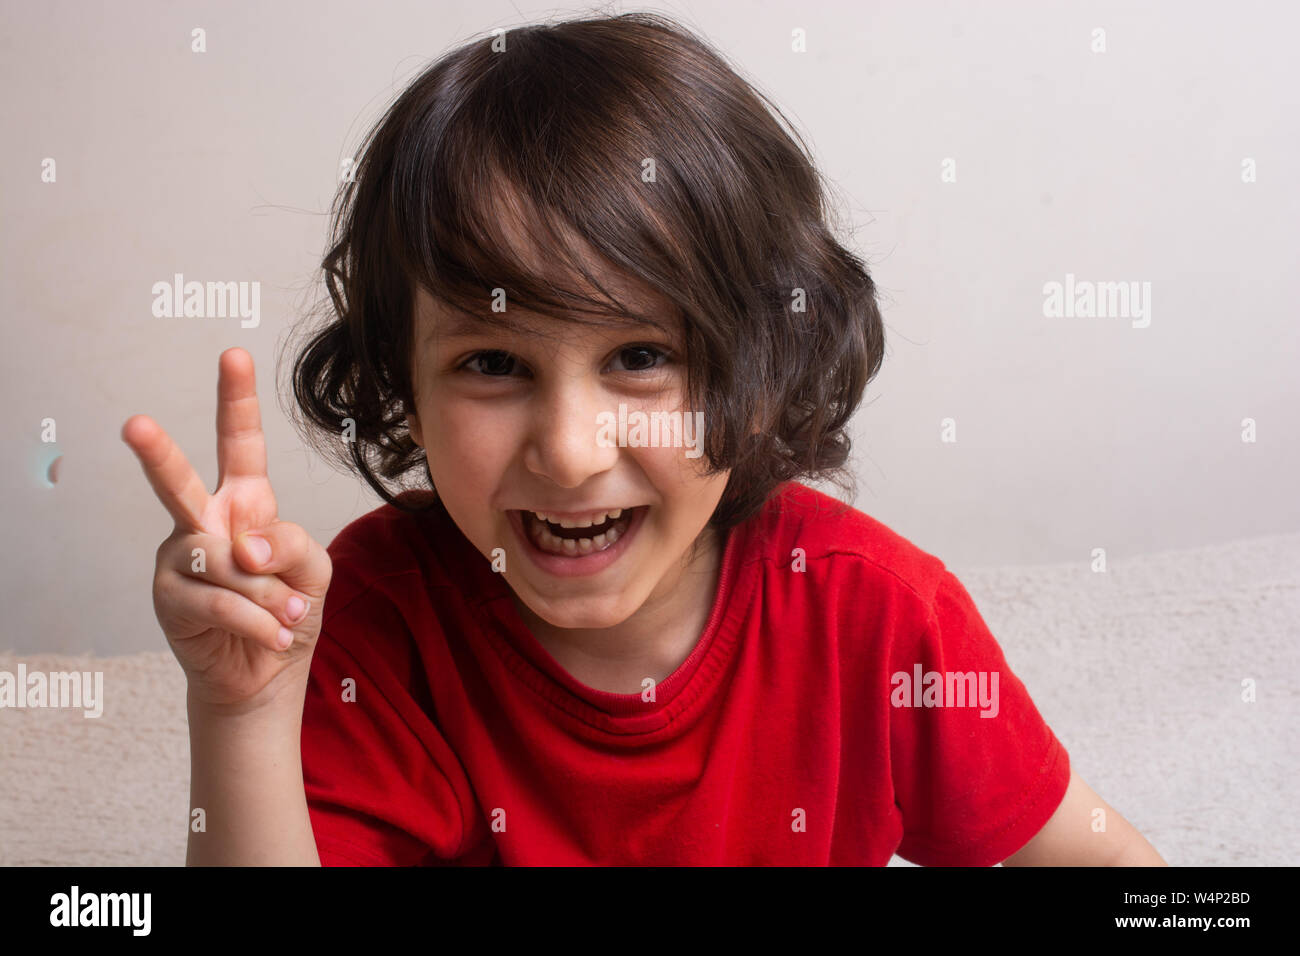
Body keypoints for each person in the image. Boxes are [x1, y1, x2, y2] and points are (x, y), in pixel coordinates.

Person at [122, 12, 1165, 866]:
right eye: (493, 364)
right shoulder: (375, 621)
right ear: (403, 378)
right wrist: (243, 714)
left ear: (759, 365)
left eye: (638, 357)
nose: (571, 451)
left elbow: (1110, 865)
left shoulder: (877, 615)